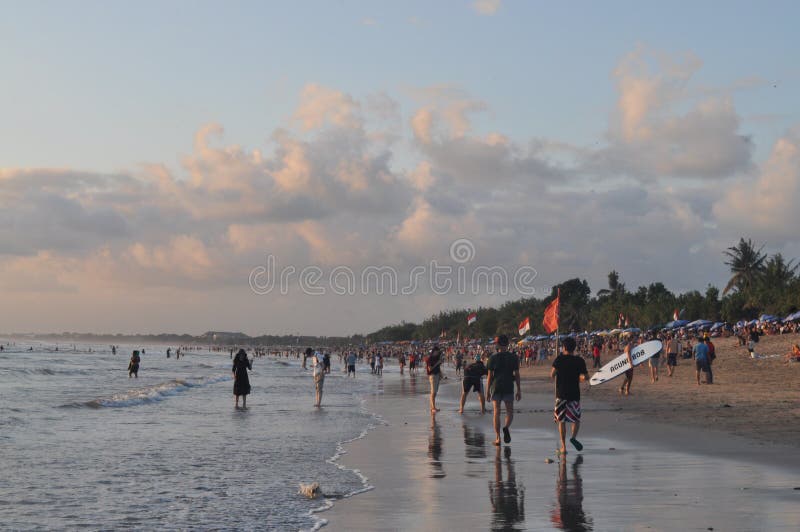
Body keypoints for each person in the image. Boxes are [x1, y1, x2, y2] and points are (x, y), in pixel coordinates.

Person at [550, 337, 589, 455]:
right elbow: (585, 377)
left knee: (561, 420)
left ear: (564, 347)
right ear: (574, 348)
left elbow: (552, 374)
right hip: (574, 394)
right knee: (576, 419)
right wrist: (579, 378)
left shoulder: (559, 359)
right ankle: (573, 437)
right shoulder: (579, 360)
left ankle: (563, 446)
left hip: (561, 394)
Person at [486, 335, 521, 446]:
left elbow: (489, 377)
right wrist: (519, 389)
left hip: (496, 386)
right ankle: (506, 427)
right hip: (508, 386)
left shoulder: (493, 358)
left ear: (498, 344)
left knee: (496, 412)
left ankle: (498, 438)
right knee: (509, 411)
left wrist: (487, 391)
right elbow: (517, 374)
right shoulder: (513, 357)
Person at [426, 346, 444, 412]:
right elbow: (430, 369)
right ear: (434, 351)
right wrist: (437, 363)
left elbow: (438, 368)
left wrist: (440, 374)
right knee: (433, 392)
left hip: (437, 375)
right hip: (432, 376)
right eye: (437, 352)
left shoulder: (436, 358)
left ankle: (432, 407)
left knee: (435, 392)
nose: (438, 353)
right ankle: (433, 407)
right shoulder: (430, 359)